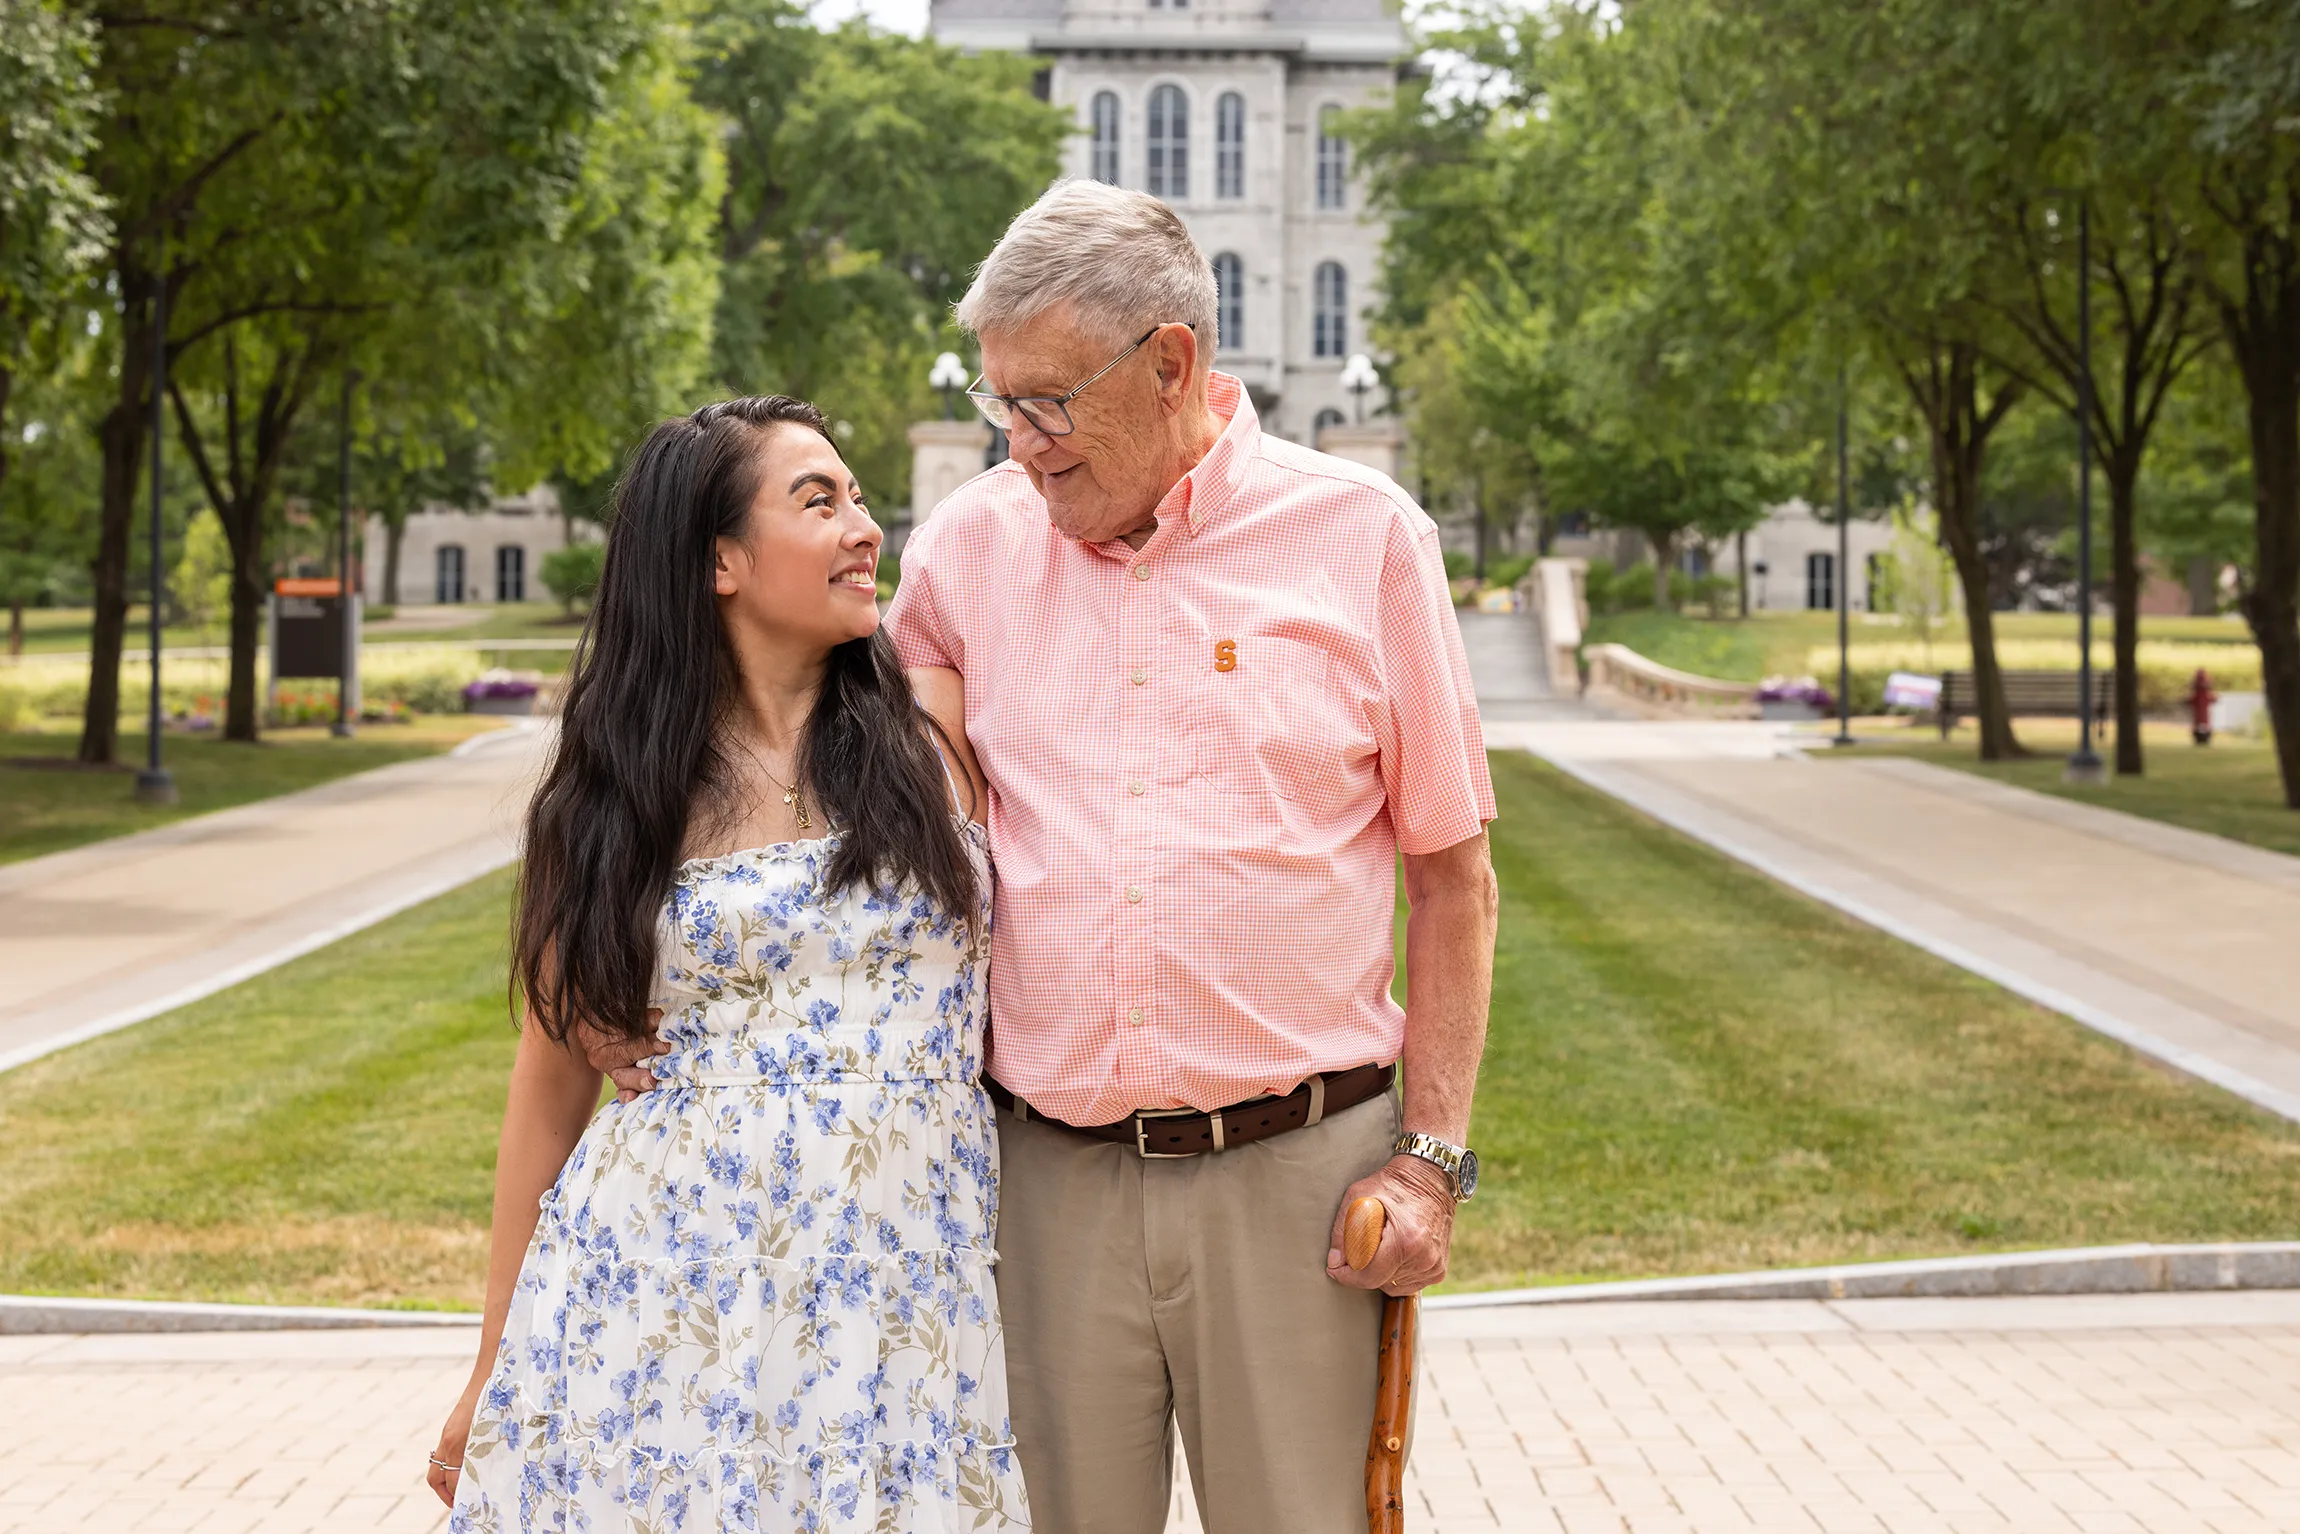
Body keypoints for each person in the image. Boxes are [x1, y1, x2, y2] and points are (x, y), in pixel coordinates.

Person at [599, 181, 1498, 1532]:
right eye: (1001, 404)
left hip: (1303, 1175)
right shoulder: (966, 550)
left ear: (1174, 363)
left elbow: (1453, 876)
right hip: (1043, 1181)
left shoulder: (1365, 539)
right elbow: (789, 755)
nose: (1019, 442)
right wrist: (617, 949)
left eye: (1049, 403)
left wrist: (1429, 1159)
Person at [428, 395, 1029, 1531]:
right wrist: (488, 1365)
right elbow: (550, 1082)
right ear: (720, 559)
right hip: (663, 1292)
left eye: (857, 495)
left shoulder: (938, 727)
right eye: (819, 500)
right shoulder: (619, 796)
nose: (865, 525)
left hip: (904, 1288)